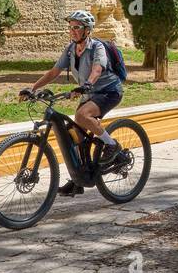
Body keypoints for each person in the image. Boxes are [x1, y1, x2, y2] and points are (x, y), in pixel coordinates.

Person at [21, 10, 124, 197]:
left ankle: (111, 145)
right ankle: (78, 180)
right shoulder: (70, 50)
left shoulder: (97, 47)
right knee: (74, 136)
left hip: (108, 91)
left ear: (87, 30)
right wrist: (32, 88)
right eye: (70, 27)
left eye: (77, 27)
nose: (73, 31)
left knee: (82, 116)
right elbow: (54, 72)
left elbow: (97, 69)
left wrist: (86, 85)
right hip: (88, 93)